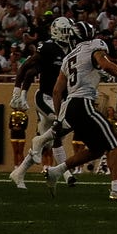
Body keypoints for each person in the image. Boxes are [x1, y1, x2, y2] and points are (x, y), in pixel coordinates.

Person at [46, 20, 117, 201]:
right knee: (116, 144)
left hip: (70, 108)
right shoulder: (95, 45)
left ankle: (56, 171)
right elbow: (106, 64)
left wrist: (59, 118)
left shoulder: (68, 57)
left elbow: (56, 91)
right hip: (83, 103)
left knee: (96, 149)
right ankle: (116, 189)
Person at [8, 19, 76, 188]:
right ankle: (65, 173)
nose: (69, 34)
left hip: (62, 99)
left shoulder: (72, 49)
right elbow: (27, 68)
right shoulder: (48, 48)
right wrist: (18, 92)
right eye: (65, 31)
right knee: (60, 124)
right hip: (45, 97)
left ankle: (19, 172)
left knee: (53, 138)